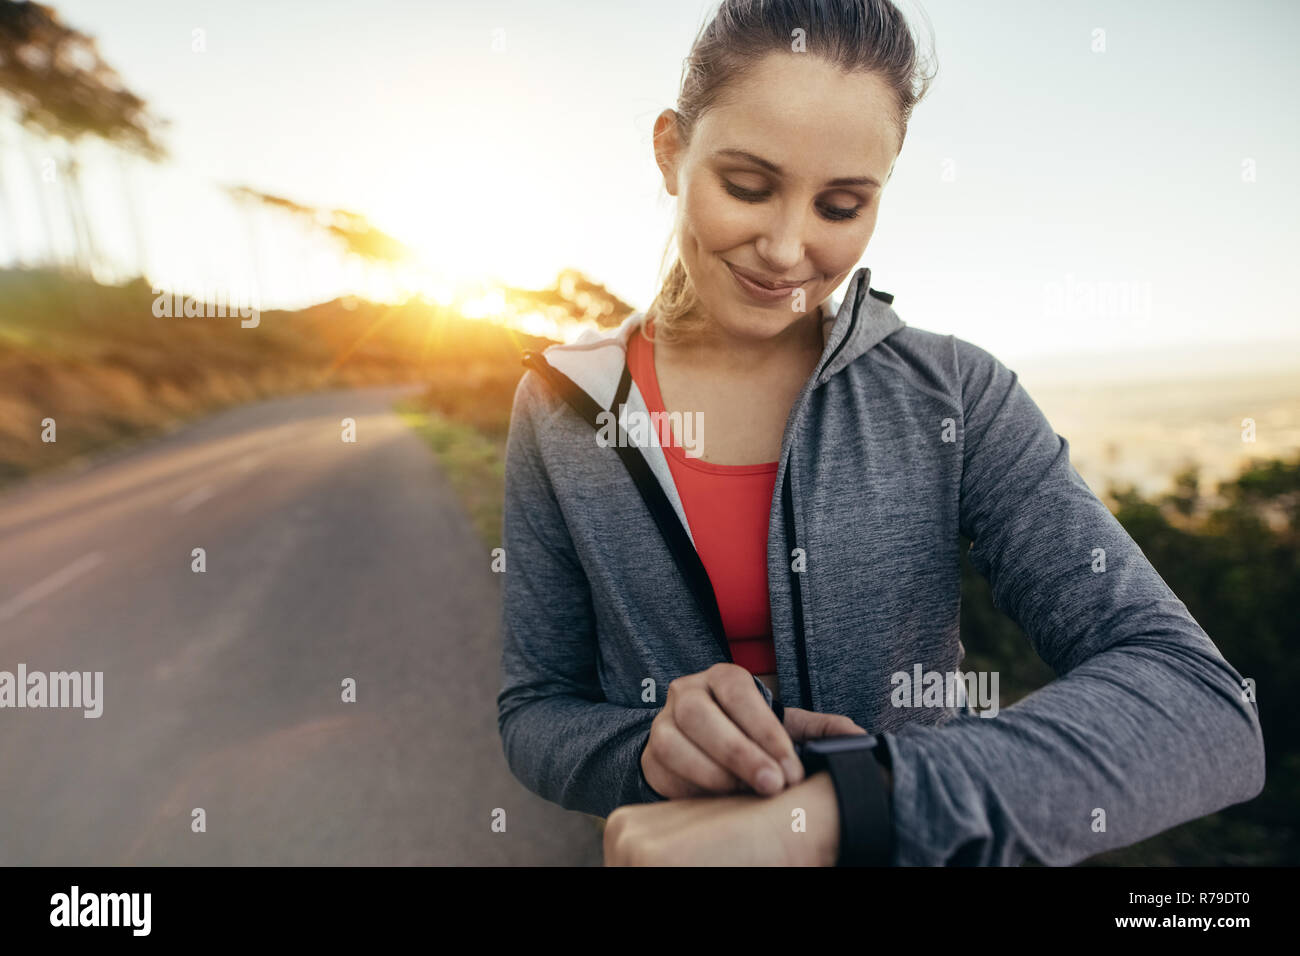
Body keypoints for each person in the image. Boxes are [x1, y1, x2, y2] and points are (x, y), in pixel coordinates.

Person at [496, 0, 1266, 866]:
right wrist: (644, 752)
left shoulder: (956, 393)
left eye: (840, 205)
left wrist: (857, 802)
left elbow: (1204, 707)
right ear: (672, 152)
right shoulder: (564, 404)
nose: (788, 250)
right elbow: (536, 710)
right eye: (746, 187)